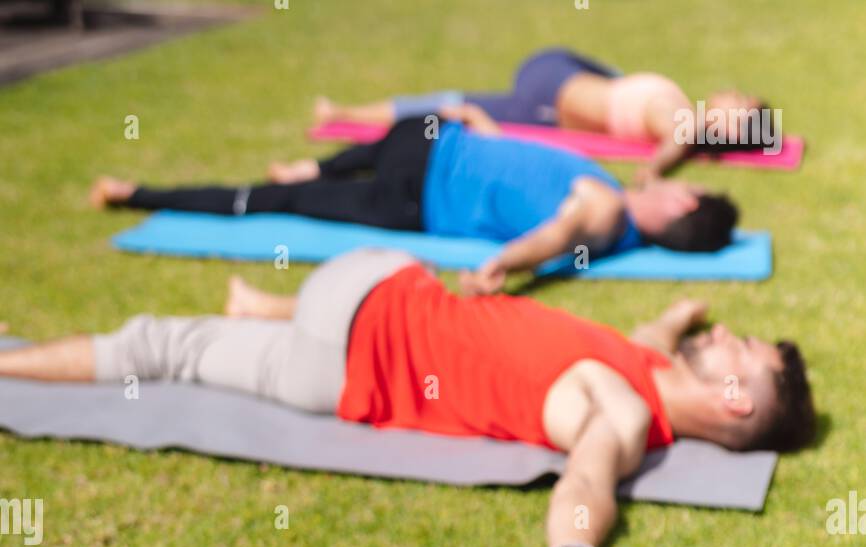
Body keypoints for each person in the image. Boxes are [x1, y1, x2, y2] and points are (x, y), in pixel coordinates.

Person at [0, 248, 816, 547]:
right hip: (353, 324)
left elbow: (589, 477)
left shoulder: (627, 412)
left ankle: (16, 365)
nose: (724, 336)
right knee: (167, 346)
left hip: (355, 332)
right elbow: (660, 335)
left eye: (738, 348)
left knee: (160, 346)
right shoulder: (645, 364)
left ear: (738, 398)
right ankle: (258, 309)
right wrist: (683, 313)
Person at [89, 112, 740, 283]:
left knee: (273, 200)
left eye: (690, 187)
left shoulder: (606, 212)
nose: (680, 182)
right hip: (429, 156)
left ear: (683, 208)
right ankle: (303, 174)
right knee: (282, 198)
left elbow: (557, 235)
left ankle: (135, 192)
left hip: (420, 167)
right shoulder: (615, 203)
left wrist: (504, 263)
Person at [315, 46, 777, 177]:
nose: (734, 93)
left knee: (454, 106)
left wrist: (654, 171)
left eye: (741, 104)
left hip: (549, 90)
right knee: (454, 104)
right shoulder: (685, 114)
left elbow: (679, 136)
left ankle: (345, 110)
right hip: (560, 82)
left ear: (733, 126)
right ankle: (345, 109)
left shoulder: (688, 122)